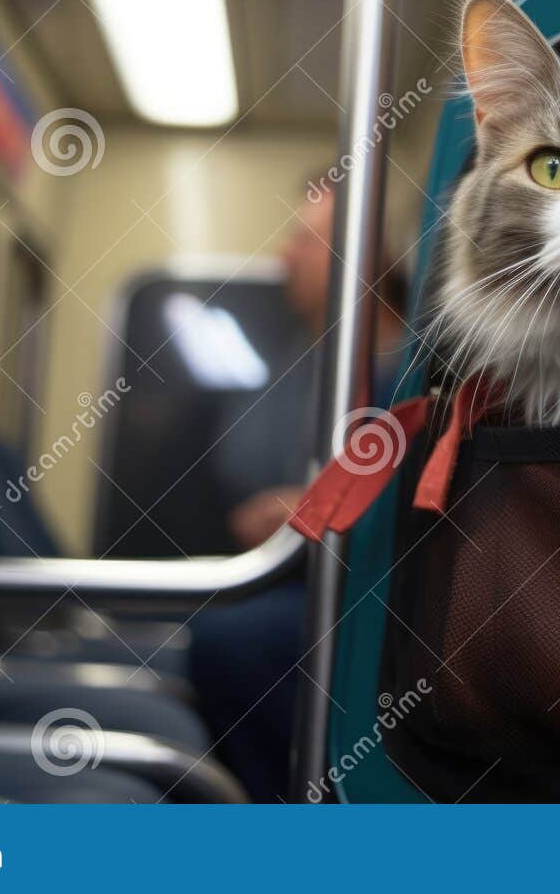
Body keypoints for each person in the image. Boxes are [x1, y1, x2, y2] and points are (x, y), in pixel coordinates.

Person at [188, 184, 407, 799]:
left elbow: (407, 508)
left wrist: (307, 510)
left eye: (306, 241)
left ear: (363, 254)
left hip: (376, 593)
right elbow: (241, 462)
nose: (286, 256)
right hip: (288, 575)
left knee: (232, 643)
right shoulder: (297, 365)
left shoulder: (409, 369)